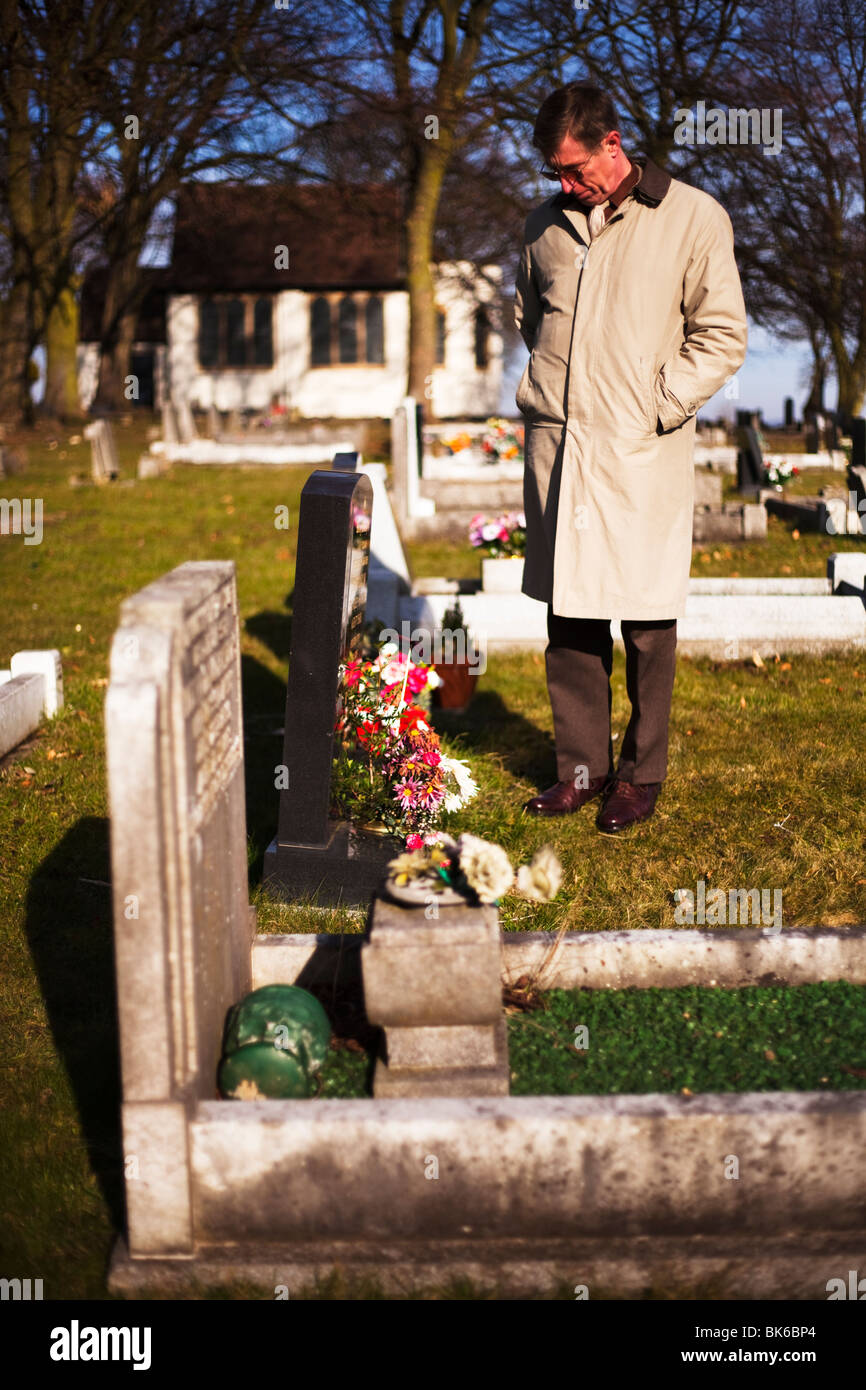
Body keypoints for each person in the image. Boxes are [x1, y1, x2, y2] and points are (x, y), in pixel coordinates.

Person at [515, 82, 748, 832]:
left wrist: (654, 403)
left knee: (647, 621)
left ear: (612, 144)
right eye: (554, 172)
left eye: (575, 168)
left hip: (640, 450)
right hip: (562, 447)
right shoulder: (542, 226)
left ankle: (640, 776)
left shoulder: (691, 218)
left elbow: (721, 335)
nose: (565, 184)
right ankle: (580, 772)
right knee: (571, 618)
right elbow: (530, 317)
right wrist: (562, 392)